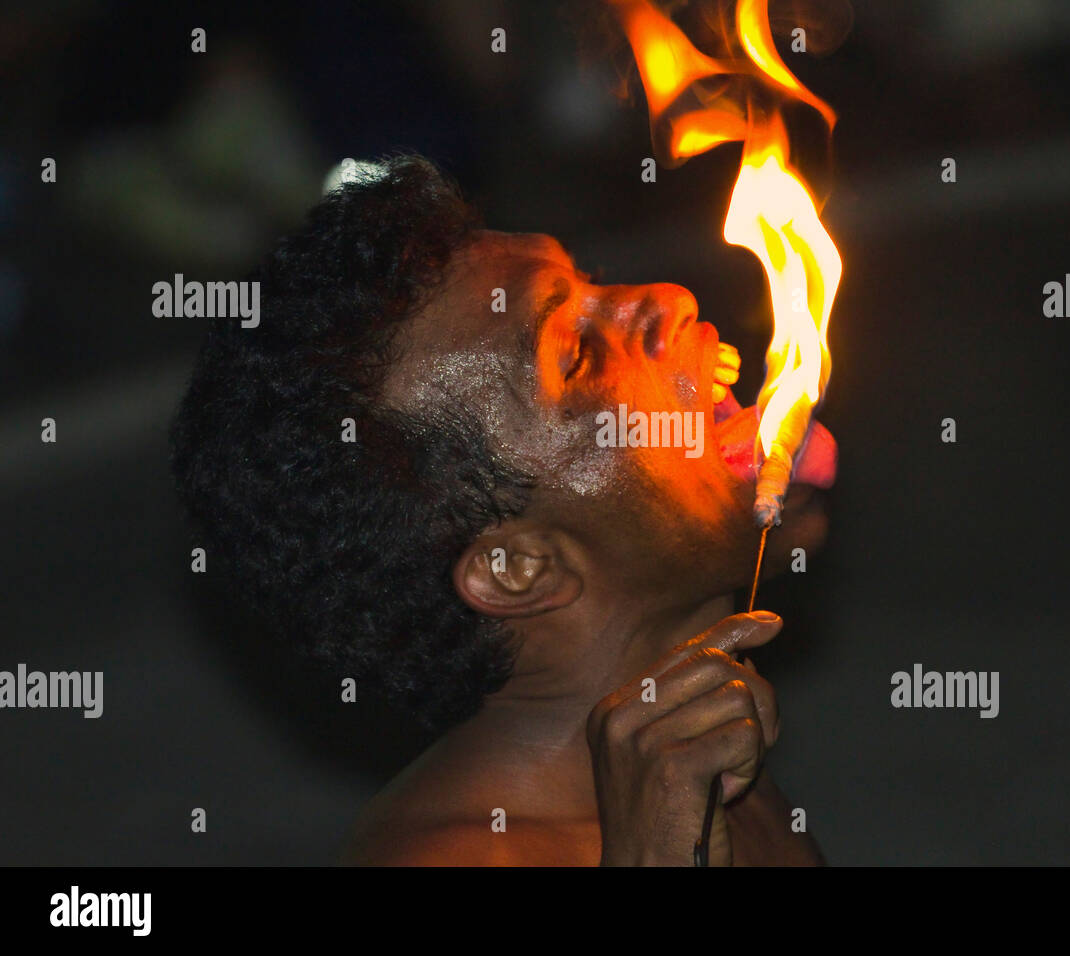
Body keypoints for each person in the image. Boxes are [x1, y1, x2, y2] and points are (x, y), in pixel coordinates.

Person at [171, 155, 835, 865]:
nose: (668, 299)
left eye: (593, 282)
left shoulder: (699, 751)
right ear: (519, 567)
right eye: (578, 354)